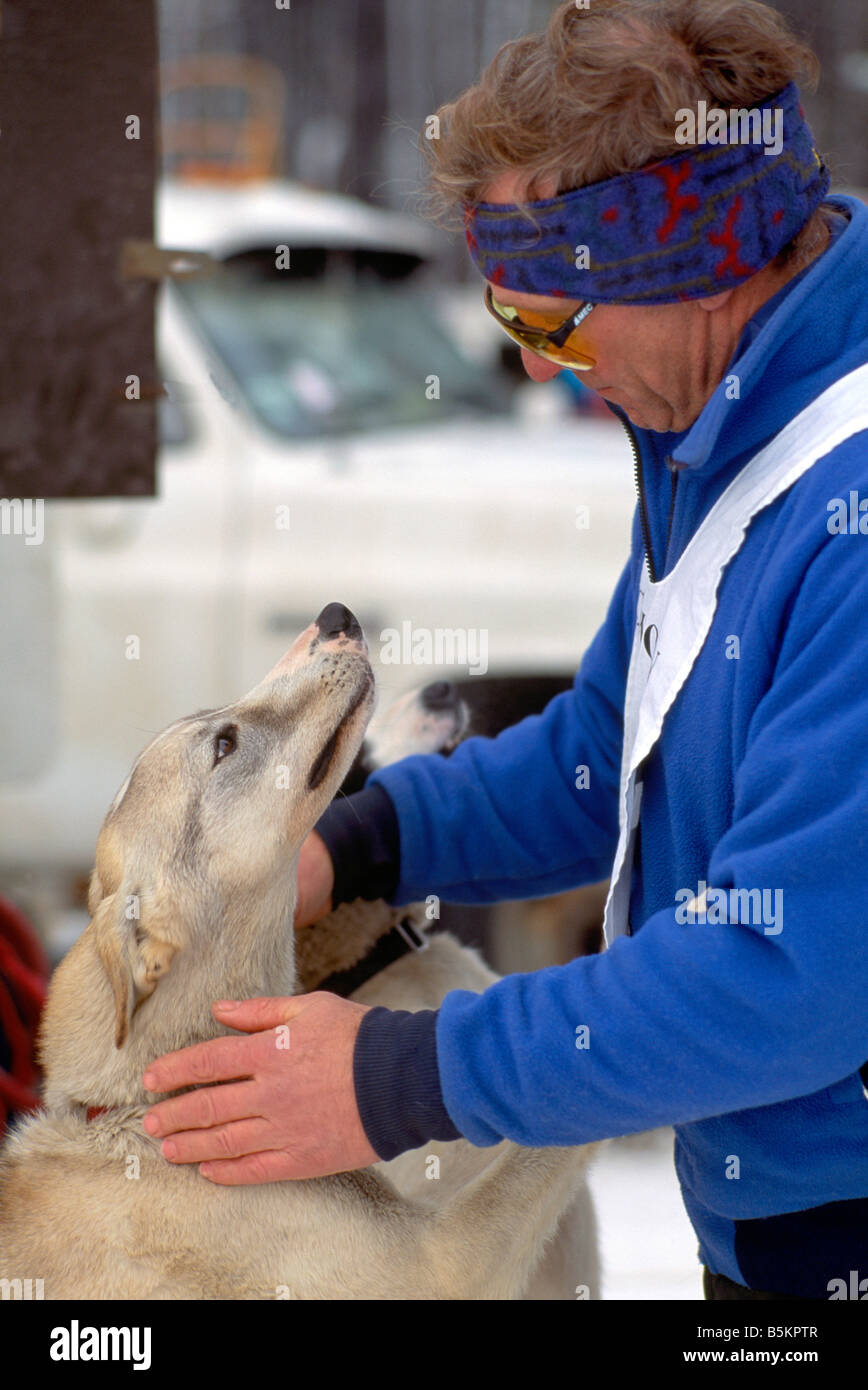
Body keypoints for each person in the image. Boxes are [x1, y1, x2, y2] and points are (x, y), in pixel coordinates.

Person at [142, 0, 868, 1300]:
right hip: (778, 1208)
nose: (538, 376)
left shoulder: (849, 512)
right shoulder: (718, 431)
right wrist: (354, 842)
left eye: (556, 326)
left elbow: (795, 973)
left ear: (690, 265)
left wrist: (400, 1078)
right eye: (508, 324)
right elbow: (605, 755)